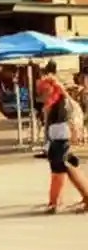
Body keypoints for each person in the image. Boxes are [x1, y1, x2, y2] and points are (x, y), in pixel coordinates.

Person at [38, 75, 88, 213]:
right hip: (57, 141)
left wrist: (75, 135)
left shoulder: (62, 101)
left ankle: (55, 202)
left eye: (45, 90)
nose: (42, 94)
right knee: (65, 169)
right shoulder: (54, 102)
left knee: (59, 170)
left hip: (62, 140)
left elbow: (70, 121)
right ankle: (57, 201)